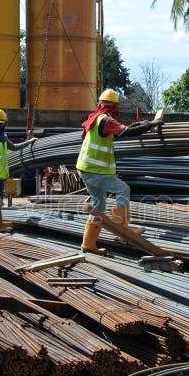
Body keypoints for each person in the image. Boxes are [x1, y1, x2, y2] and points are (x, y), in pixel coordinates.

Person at [76, 88, 161, 254]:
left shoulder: (96, 118)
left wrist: (145, 123)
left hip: (84, 168)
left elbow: (124, 129)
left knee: (98, 205)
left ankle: (88, 243)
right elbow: (127, 132)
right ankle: (123, 229)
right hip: (94, 171)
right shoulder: (106, 121)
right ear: (114, 105)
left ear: (100, 103)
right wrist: (150, 125)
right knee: (123, 189)